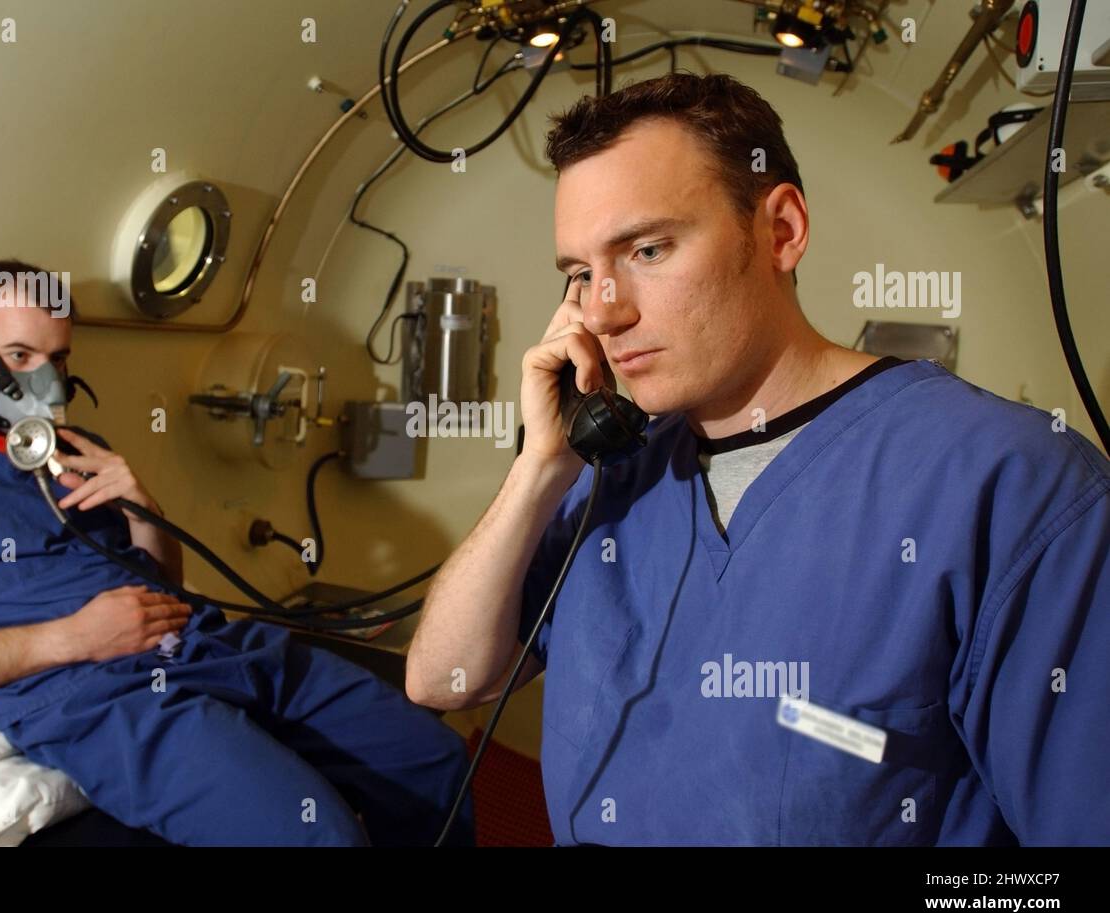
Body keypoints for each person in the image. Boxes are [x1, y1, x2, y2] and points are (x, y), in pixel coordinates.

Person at [406, 71, 1110, 845]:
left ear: (780, 231)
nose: (603, 307)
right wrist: (542, 462)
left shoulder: (1011, 484)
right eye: (579, 274)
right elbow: (445, 680)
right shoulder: (610, 469)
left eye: (647, 247)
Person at [0, 259, 473, 846]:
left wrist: (142, 507)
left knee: (434, 760)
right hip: (98, 696)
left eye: (57, 359)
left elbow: (166, 583)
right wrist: (72, 638)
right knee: (316, 834)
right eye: (17, 357)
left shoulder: (74, 448)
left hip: (213, 644)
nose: (43, 382)